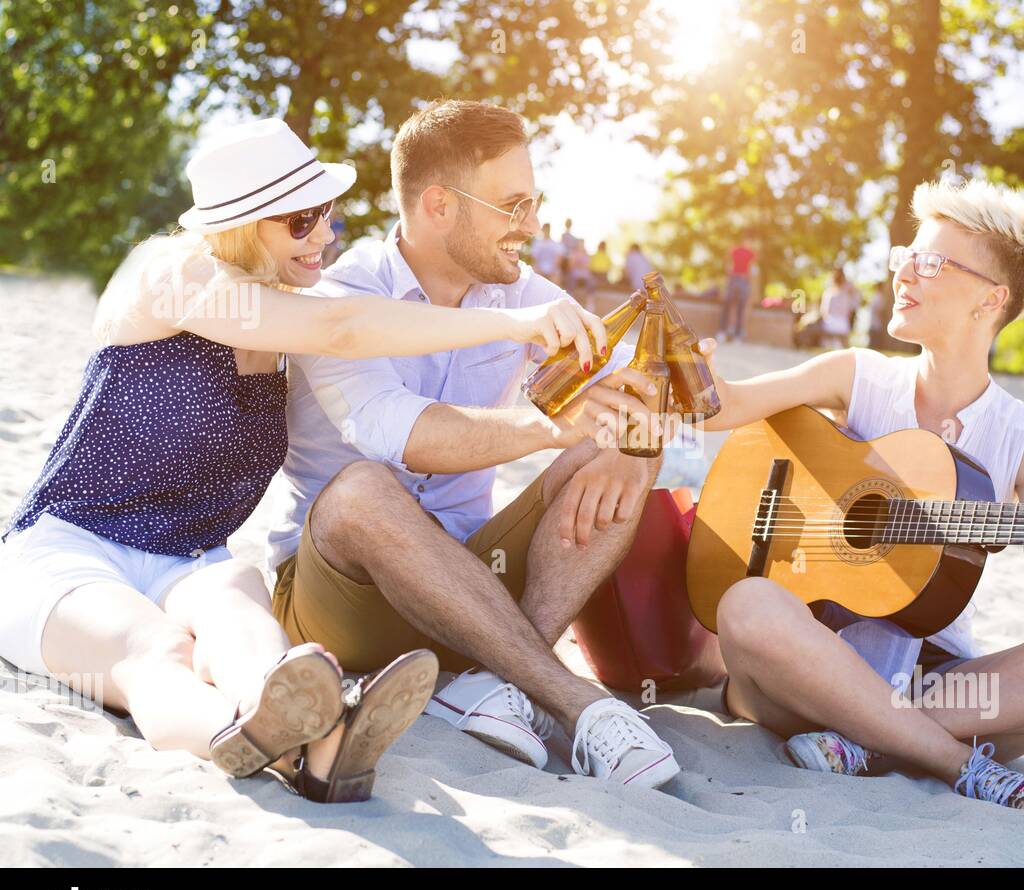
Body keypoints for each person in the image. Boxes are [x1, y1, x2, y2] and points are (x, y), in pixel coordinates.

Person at [0, 118, 603, 803]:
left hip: (192, 559)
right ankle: (284, 749)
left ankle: (319, 730)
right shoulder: (169, 275)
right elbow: (344, 326)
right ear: (241, 224)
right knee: (158, 655)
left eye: (328, 213)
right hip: (68, 547)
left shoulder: (290, 316)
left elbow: (355, 323)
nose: (325, 234)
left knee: (257, 641)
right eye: (301, 219)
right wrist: (512, 321)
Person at [692, 179, 1024, 811]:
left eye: (930, 262)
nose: (904, 274)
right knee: (748, 604)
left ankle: (871, 742)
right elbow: (725, 406)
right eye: (905, 258)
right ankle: (956, 763)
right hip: (800, 672)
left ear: (990, 299)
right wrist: (684, 368)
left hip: (936, 683)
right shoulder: (858, 375)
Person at [263, 100, 681, 790]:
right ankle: (569, 698)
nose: (534, 227)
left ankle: (492, 679)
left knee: (603, 458)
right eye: (513, 206)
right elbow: (399, 433)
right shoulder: (340, 293)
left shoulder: (521, 292)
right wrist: (559, 425)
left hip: (470, 577)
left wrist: (635, 449)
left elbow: (647, 389)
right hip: (342, 599)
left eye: (535, 203)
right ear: (438, 206)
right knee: (364, 489)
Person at [718, 232, 758, 342]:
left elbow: (751, 268)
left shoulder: (752, 254)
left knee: (741, 306)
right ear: (744, 240)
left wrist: (748, 281)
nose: (749, 243)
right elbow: (729, 264)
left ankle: (737, 335)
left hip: (744, 280)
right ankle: (722, 331)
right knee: (727, 304)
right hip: (734, 279)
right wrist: (730, 276)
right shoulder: (735, 250)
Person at [817, 267, 859, 348]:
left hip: (834, 322)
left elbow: (824, 310)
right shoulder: (842, 293)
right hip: (837, 322)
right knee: (840, 347)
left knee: (831, 346)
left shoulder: (831, 292)